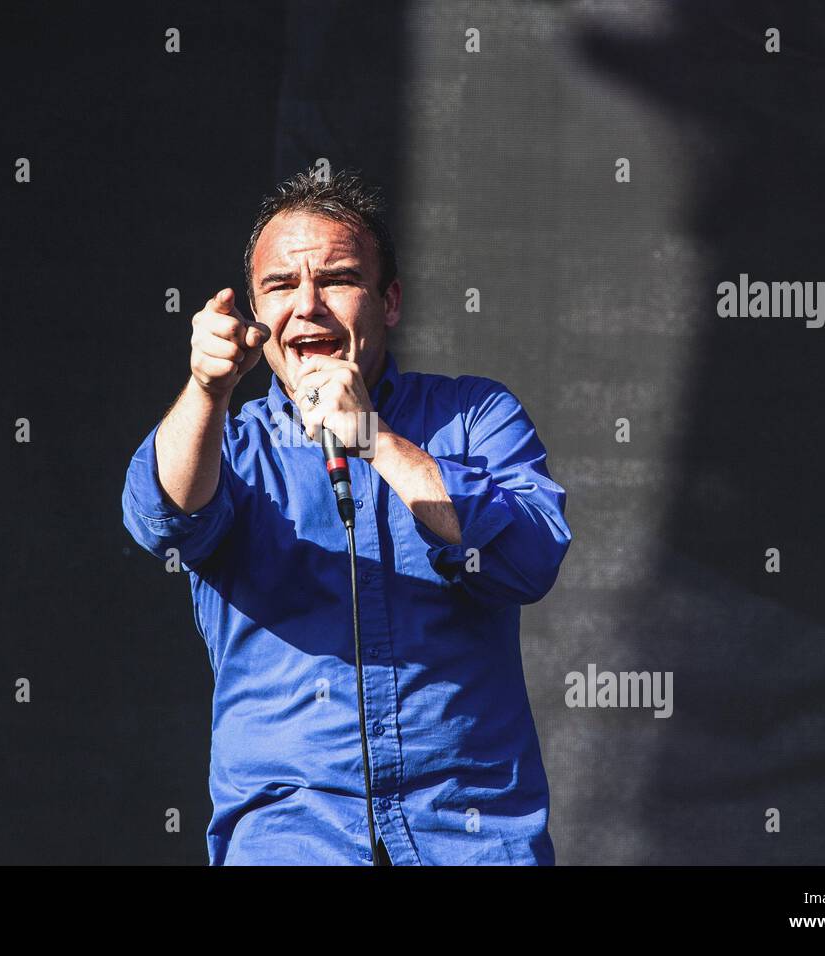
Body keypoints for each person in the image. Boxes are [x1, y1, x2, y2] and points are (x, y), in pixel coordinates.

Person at [122, 170, 573, 865]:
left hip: (469, 836)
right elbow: (161, 519)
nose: (309, 307)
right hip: (292, 838)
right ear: (252, 316)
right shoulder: (230, 444)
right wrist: (207, 388)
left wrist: (377, 441)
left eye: (336, 279)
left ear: (389, 301)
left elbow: (531, 555)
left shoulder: (475, 414)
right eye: (280, 287)